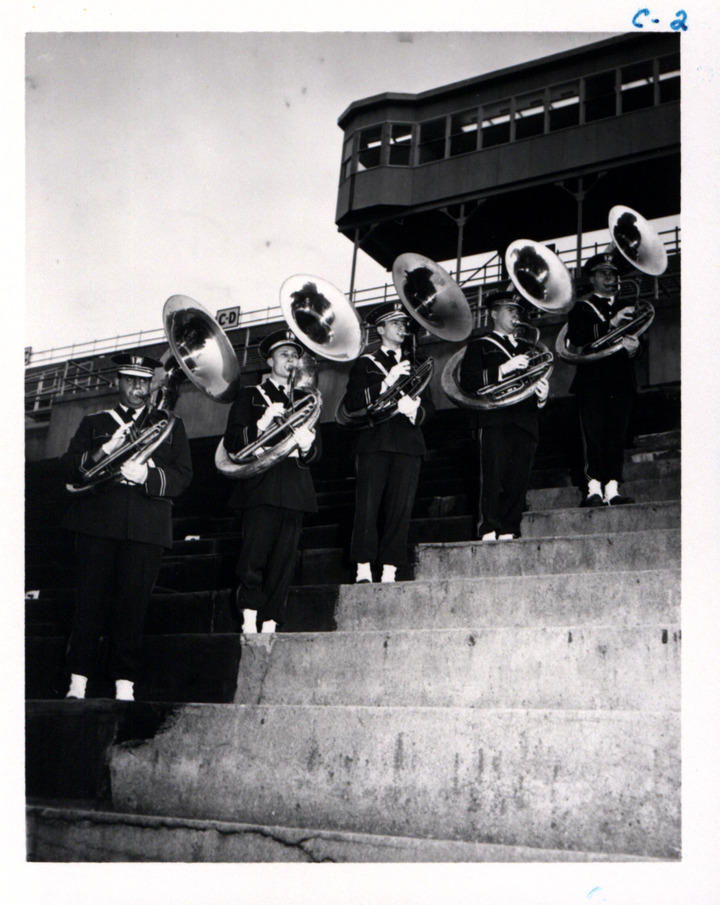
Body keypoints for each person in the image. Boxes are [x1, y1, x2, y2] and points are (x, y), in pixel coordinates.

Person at [62, 353, 193, 701]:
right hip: (97, 523)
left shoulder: (171, 425)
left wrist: (149, 475)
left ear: (152, 385)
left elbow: (183, 476)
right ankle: (78, 681)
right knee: (88, 603)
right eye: (130, 380)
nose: (138, 387)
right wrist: (105, 449)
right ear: (116, 382)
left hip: (146, 527)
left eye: (144, 381)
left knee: (132, 606)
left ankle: (125, 683)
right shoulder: (94, 422)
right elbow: (69, 471)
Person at [223, 329, 320, 633]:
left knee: (284, 561)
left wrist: (307, 445)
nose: (291, 360)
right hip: (260, 487)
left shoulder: (306, 399)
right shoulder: (250, 396)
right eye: (284, 355)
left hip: (294, 488)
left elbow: (317, 454)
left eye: (295, 355)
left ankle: (271, 620)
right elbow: (233, 442)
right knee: (254, 556)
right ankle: (249, 616)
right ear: (269, 360)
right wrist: (261, 423)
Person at [343, 301, 434, 583]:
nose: (402, 327)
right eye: (395, 323)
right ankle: (363, 567)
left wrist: (414, 410)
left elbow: (430, 408)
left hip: (408, 443)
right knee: (367, 507)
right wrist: (386, 384)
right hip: (375, 442)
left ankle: (391, 568)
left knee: (400, 508)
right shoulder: (365, 364)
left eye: (404, 323)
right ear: (380, 329)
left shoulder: (416, 364)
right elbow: (352, 403)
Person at [458, 290, 549, 541]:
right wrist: (505, 368)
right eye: (510, 310)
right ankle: (488, 529)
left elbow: (532, 383)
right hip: (494, 420)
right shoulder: (480, 345)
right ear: (493, 313)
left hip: (525, 420)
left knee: (518, 481)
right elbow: (469, 381)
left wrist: (541, 396)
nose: (515, 315)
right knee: (493, 477)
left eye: (517, 311)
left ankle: (509, 529)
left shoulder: (527, 348)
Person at [566, 251, 638, 507]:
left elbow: (637, 338)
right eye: (604, 274)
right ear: (593, 278)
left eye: (614, 275)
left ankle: (613, 488)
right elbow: (578, 337)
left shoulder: (627, 306)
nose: (611, 279)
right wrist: (611, 323)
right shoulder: (581, 307)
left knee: (617, 436)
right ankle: (593, 489)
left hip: (621, 379)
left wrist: (633, 347)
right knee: (593, 436)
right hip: (593, 380)